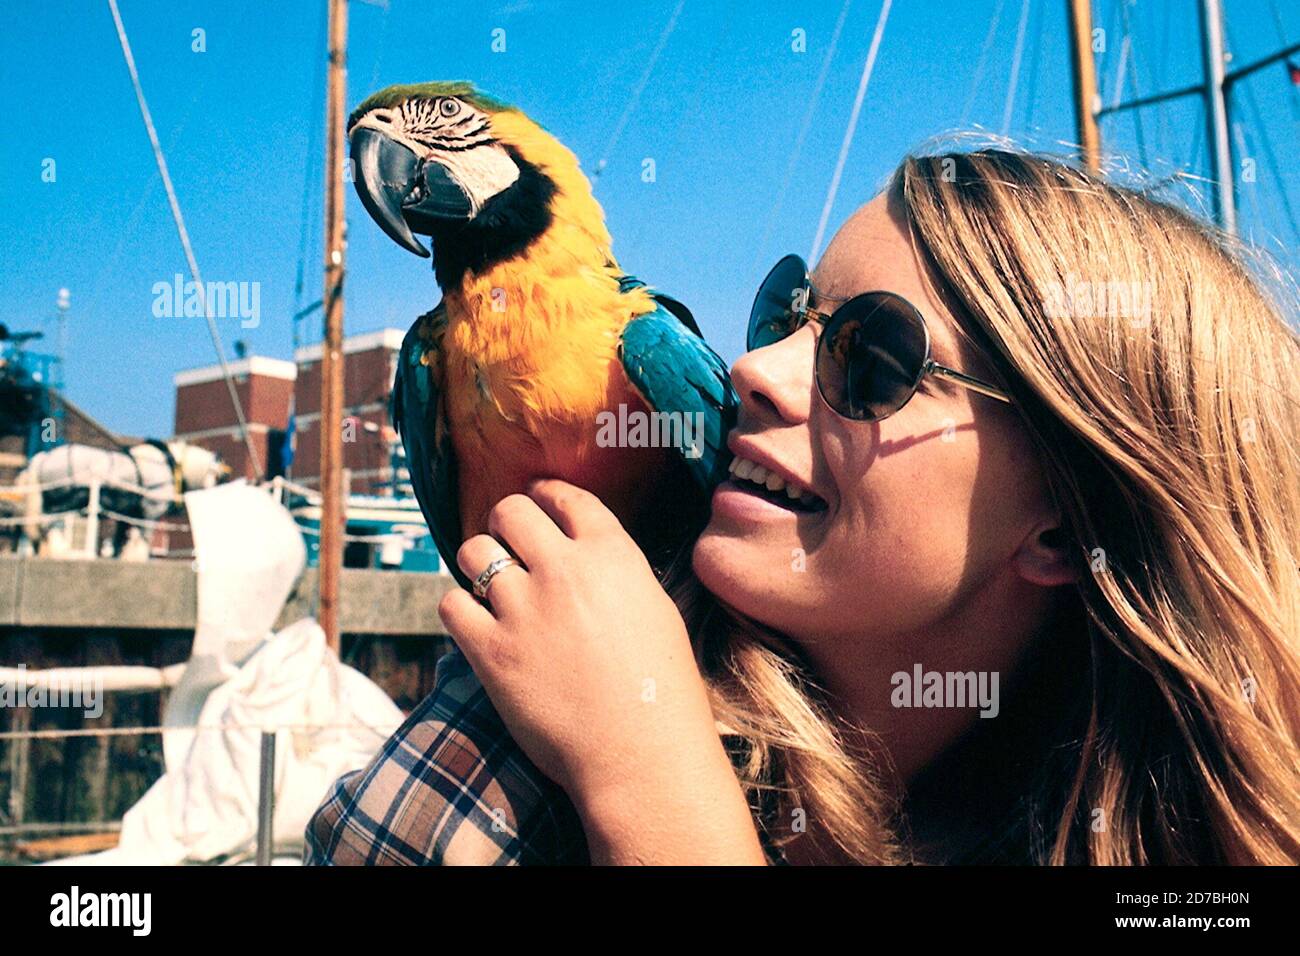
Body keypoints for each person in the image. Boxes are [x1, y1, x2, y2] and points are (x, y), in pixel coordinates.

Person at [307, 148, 1300, 865]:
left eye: (872, 357)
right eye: (789, 310)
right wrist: (636, 757)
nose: (751, 368)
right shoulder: (545, 705)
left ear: (1067, 526)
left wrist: (652, 797)